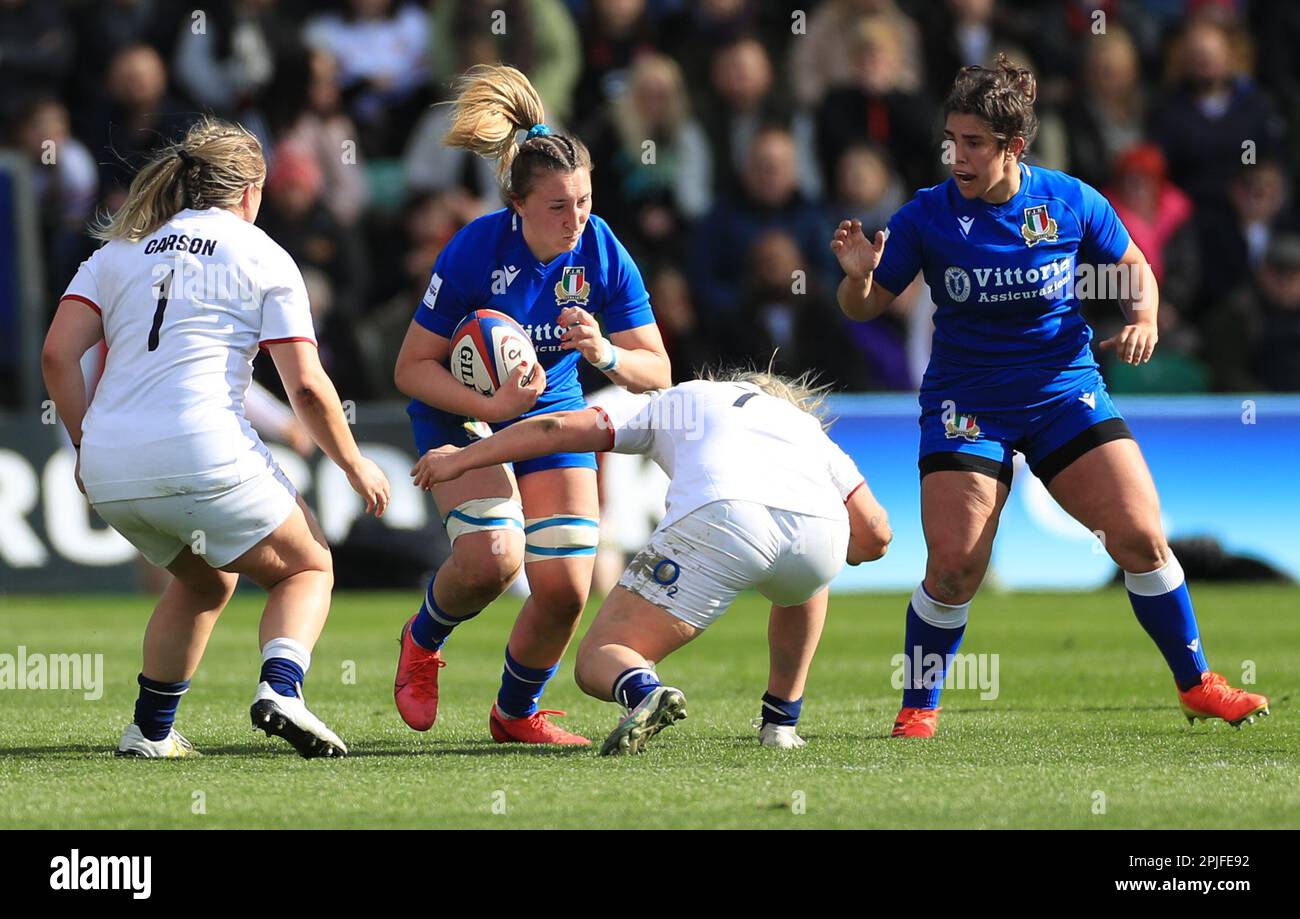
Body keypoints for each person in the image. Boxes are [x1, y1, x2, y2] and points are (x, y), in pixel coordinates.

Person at [830, 54, 1270, 738]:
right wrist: (858, 279)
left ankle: (1197, 683)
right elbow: (864, 306)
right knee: (952, 569)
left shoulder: (1068, 200)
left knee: (1142, 537)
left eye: (973, 143)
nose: (957, 156)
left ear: (1014, 147)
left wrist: (1144, 317)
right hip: (967, 404)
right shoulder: (926, 215)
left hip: (1064, 392)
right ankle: (918, 707)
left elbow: (1134, 269)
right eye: (952, 140)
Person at [40, 118, 391, 758]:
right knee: (309, 564)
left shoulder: (117, 250)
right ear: (250, 190)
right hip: (202, 449)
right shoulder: (263, 255)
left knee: (205, 581)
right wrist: (354, 462)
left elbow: (57, 357)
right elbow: (307, 388)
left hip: (113, 467)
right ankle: (282, 688)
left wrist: (86, 447)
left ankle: (150, 731)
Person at [392, 64, 671, 745]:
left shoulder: (602, 249)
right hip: (458, 409)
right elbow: (410, 368)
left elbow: (657, 371)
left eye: (584, 200)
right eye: (557, 206)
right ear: (517, 205)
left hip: (553, 406)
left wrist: (604, 352)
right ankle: (423, 639)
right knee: (493, 559)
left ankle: (515, 713)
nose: (575, 219)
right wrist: (485, 399)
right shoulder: (473, 250)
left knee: (568, 588)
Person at [410, 372, 893, 755]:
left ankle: (643, 690)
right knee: (808, 584)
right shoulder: (805, 428)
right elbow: (875, 536)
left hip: (724, 514)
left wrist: (466, 458)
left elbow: (557, 427)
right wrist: (818, 550)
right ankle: (781, 723)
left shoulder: (684, 397)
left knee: (601, 655)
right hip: (821, 527)